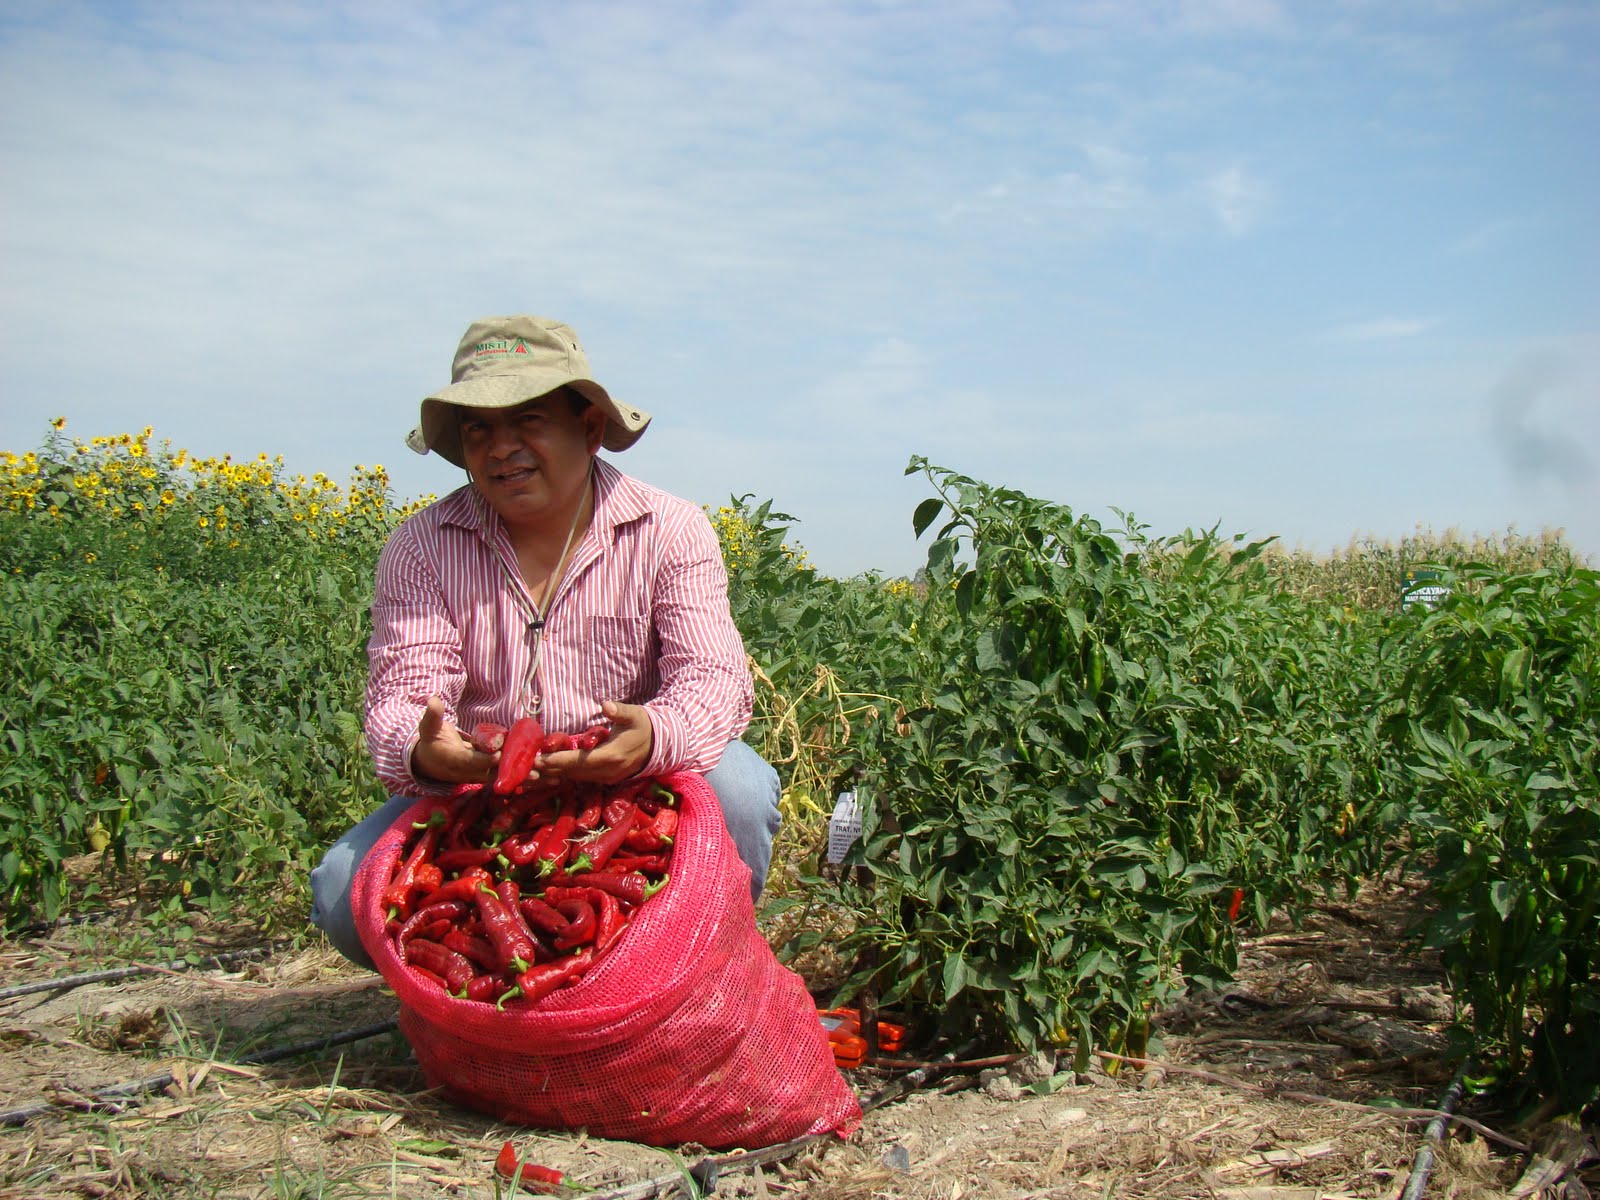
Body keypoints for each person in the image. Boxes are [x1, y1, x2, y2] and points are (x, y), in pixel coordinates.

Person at [309, 315, 781, 968]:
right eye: (479, 428)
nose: (502, 448)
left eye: (528, 420)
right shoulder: (421, 547)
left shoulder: (669, 530)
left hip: (638, 784)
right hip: (482, 794)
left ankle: (702, 971)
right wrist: (432, 752)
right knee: (341, 893)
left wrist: (651, 736)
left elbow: (714, 681)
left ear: (589, 429)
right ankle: (504, 1009)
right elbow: (402, 698)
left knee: (742, 791)